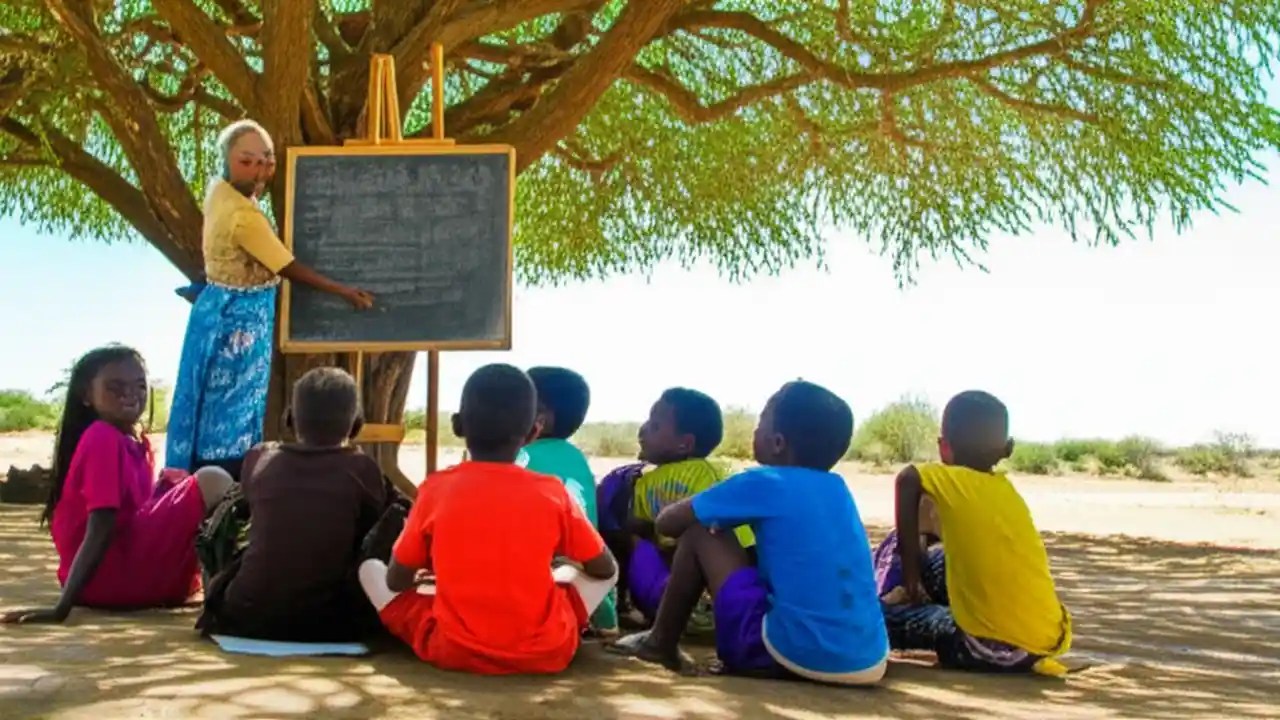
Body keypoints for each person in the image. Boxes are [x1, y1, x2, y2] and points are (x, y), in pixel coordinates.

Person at [614, 381, 888, 685]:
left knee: (699, 532)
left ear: (778, 443)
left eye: (760, 423)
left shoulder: (764, 481)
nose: (754, 431)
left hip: (787, 654)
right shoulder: (839, 490)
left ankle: (660, 643)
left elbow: (668, 523)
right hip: (867, 659)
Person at [358, 364, 618, 675]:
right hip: (546, 650)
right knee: (591, 573)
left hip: (453, 649)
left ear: (457, 425)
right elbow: (604, 569)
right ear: (534, 431)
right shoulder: (553, 492)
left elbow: (395, 581)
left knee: (370, 569)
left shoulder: (436, 488)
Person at [165, 119, 374, 477]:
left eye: (267, 160)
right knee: (231, 407)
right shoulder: (243, 216)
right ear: (226, 160)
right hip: (238, 324)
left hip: (219, 307)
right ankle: (221, 480)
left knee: (207, 400)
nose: (260, 171)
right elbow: (286, 265)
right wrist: (343, 291)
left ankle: (204, 478)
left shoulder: (220, 191)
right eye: (248, 161)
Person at [1, 345, 233, 624]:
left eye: (139, 386)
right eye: (115, 387)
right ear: (86, 395)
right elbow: (102, 522)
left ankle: (221, 588)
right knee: (213, 479)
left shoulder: (136, 443)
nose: (131, 395)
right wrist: (61, 608)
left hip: (107, 579)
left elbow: (132, 515)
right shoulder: (102, 437)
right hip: (109, 577)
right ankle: (223, 594)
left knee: (179, 481)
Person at [882, 390, 1072, 676]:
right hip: (1042, 643)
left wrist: (910, 578)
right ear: (1007, 449)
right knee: (941, 559)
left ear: (944, 447)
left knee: (875, 618)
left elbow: (907, 478)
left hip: (985, 648)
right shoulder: (1008, 492)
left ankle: (904, 597)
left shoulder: (948, 479)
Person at [195, 367, 389, 642]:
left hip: (244, 616)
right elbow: (371, 528)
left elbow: (249, 502)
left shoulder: (259, 459)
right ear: (355, 424)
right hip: (330, 623)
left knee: (227, 519)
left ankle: (212, 595)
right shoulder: (363, 469)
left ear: (289, 419)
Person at [596, 388, 752, 625]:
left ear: (684, 444)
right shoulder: (726, 473)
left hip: (682, 605)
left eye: (655, 425)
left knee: (624, 531)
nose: (643, 430)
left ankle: (623, 606)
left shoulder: (648, 483)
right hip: (740, 602)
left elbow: (623, 528)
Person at [518, 366, 619, 635]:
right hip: (589, 576)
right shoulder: (577, 460)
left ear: (540, 418)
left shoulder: (521, 457)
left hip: (543, 568)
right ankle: (602, 614)